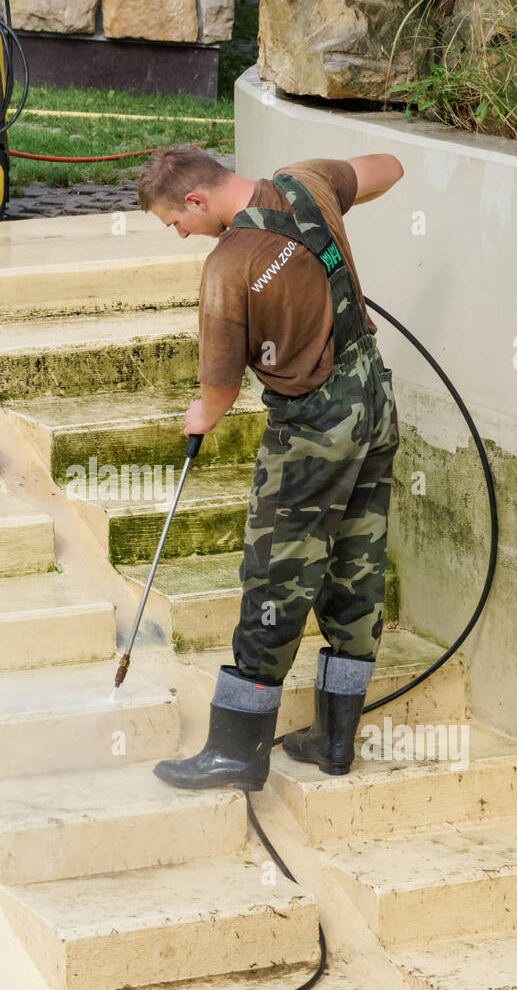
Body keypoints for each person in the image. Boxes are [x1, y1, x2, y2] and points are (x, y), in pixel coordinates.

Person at [136, 145, 404, 790]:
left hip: (313, 431)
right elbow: (389, 166)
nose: (182, 234)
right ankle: (336, 741)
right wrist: (337, 204)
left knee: (276, 577)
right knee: (355, 563)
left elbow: (220, 389)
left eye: (176, 221)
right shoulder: (308, 183)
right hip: (372, 402)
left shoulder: (228, 266)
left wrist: (201, 416)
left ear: (196, 200)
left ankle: (236, 750)